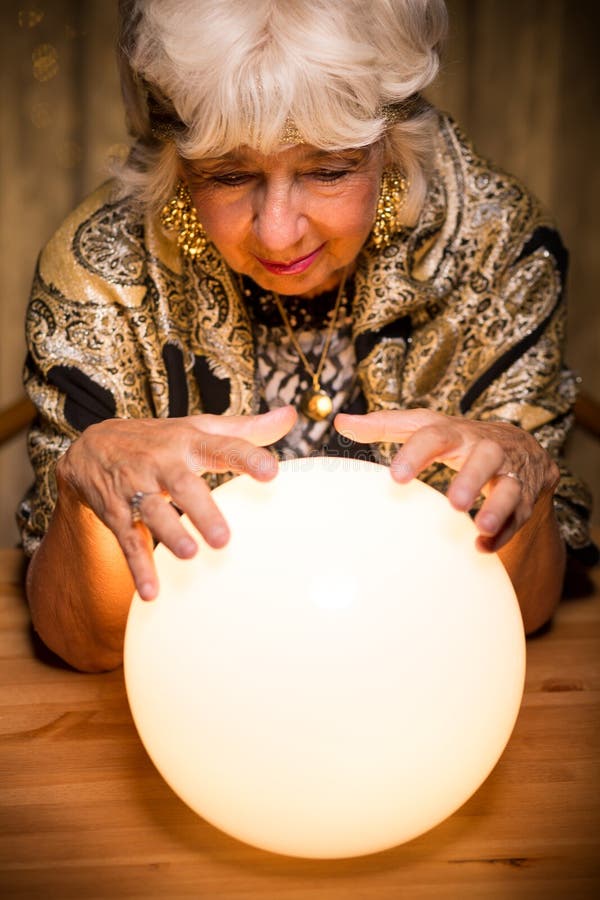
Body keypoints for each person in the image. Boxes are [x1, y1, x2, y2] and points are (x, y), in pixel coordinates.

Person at [18, 0, 594, 672]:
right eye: (229, 175)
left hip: (418, 676)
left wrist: (527, 480)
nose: (277, 233)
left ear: (391, 146)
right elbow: (85, 645)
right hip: (208, 678)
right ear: (178, 161)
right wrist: (86, 492)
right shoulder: (101, 267)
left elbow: (522, 614)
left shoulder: (498, 245)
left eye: (327, 171)